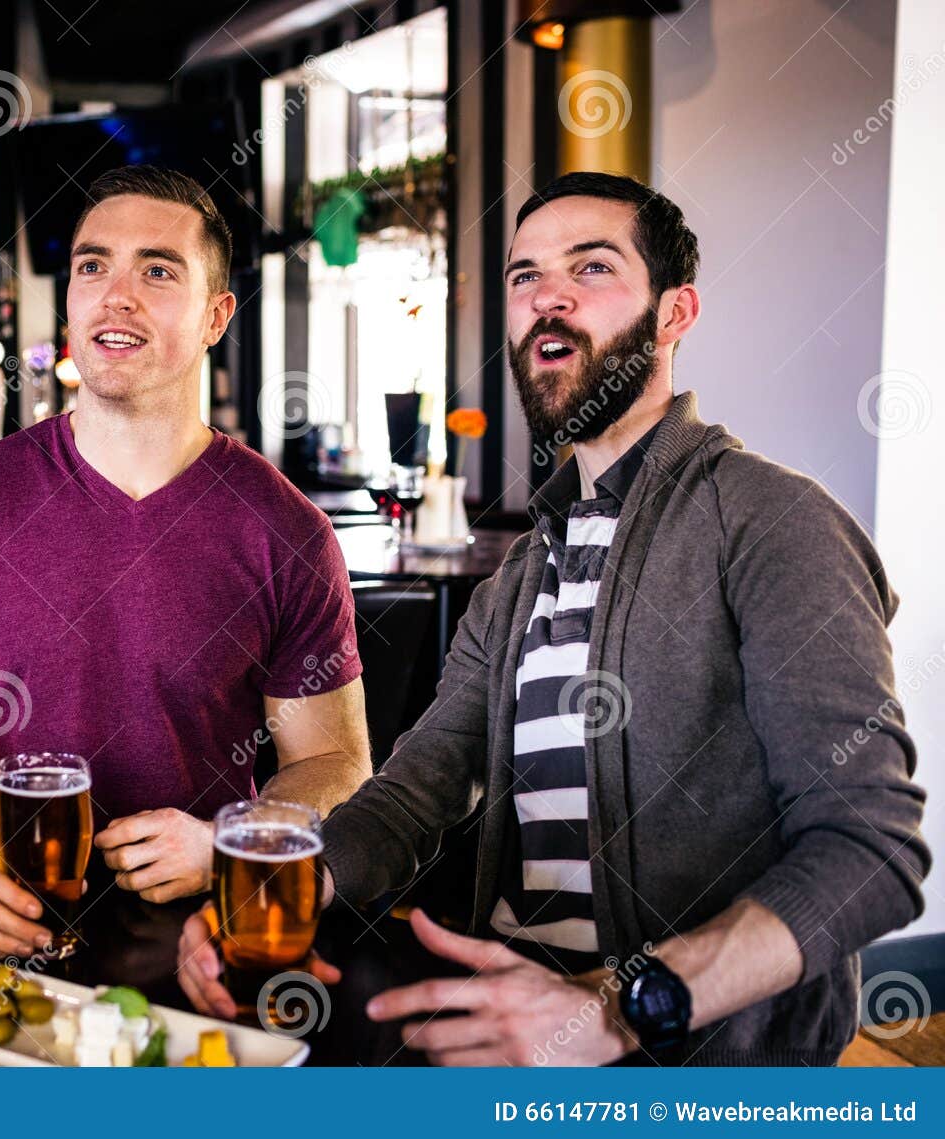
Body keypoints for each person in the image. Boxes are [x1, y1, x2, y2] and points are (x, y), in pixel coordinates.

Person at [177, 171, 929, 1066]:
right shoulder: (519, 576)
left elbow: (871, 849)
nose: (549, 297)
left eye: (593, 267)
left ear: (675, 312)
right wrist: (280, 892)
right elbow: (416, 792)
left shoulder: (772, 521)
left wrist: (616, 1009)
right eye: (525, 275)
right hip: (495, 1033)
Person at [0, 164, 372, 959]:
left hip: (199, 938)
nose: (115, 294)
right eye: (93, 266)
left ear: (216, 316)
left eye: (158, 270)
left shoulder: (288, 530)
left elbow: (334, 758)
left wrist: (228, 839)